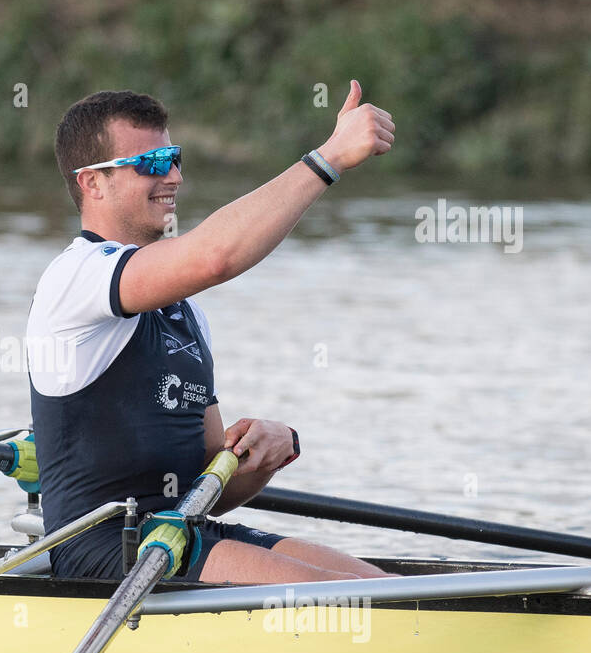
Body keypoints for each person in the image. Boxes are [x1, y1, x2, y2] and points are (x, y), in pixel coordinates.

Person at [27, 85, 394, 585]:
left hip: (178, 534)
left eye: (174, 158)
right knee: (356, 601)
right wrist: (326, 158)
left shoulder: (186, 313)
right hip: (103, 552)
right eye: (152, 163)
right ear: (93, 183)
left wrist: (261, 455)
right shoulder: (75, 277)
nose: (174, 176)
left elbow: (206, 486)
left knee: (386, 588)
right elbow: (214, 257)